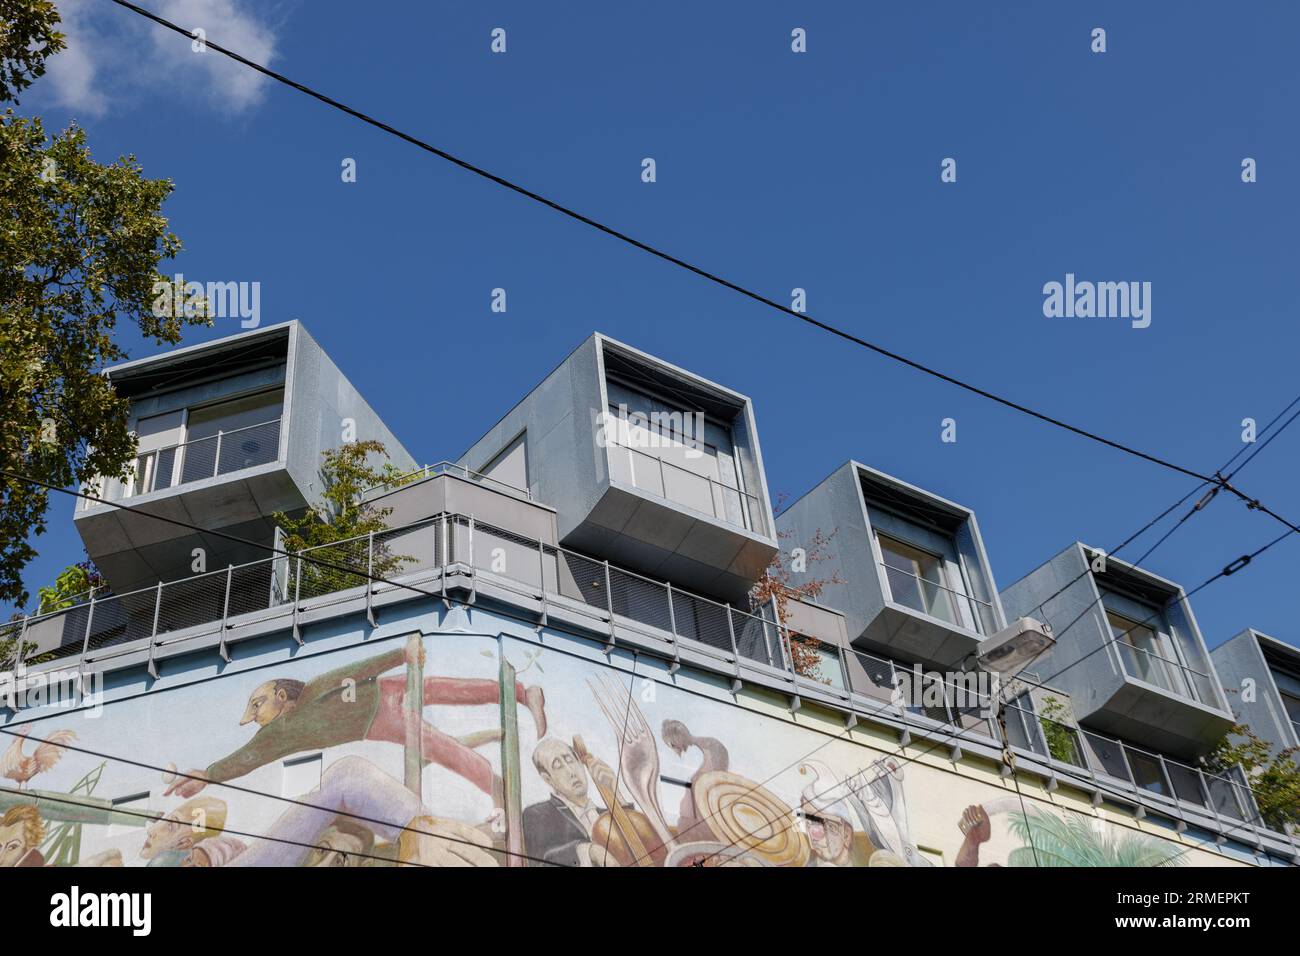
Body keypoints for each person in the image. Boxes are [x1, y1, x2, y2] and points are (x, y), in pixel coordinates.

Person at [165, 637, 547, 804]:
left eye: (256, 706)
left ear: (280, 697)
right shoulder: (275, 737)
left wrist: (401, 654)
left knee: (445, 688)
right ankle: (495, 784)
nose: (254, 716)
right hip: (378, 722)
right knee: (437, 745)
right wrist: (208, 775)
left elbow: (354, 668)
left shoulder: (313, 690)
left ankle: (520, 693)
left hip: (384, 691)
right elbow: (244, 759)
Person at [522, 738, 621, 867]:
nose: (571, 772)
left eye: (570, 760)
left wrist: (617, 797)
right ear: (548, 779)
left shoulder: (609, 815)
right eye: (558, 766)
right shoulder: (537, 814)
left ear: (580, 763)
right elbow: (543, 861)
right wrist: (591, 851)